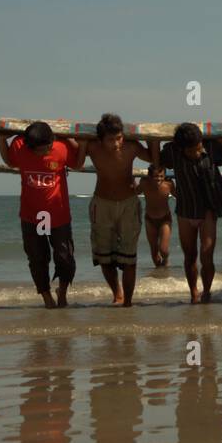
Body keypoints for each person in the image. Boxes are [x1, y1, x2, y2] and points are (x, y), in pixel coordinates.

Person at [0, 122, 82, 309]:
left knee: (65, 257)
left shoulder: (60, 147)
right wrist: (0, 139)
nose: (45, 152)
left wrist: (72, 139)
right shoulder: (20, 146)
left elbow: (78, 163)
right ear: (29, 146)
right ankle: (47, 298)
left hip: (58, 216)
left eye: (47, 148)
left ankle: (62, 291)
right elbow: (9, 161)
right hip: (32, 216)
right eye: (40, 150)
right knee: (37, 257)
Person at [151, 123, 222, 303]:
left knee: (207, 253)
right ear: (182, 148)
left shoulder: (210, 147)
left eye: (198, 149)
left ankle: (207, 291)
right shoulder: (173, 152)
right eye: (192, 151)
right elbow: (157, 162)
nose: (196, 154)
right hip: (186, 209)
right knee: (190, 256)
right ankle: (193, 292)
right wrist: (156, 143)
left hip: (207, 209)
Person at [75, 113, 151, 307]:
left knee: (129, 257)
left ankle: (128, 302)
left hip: (128, 203)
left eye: (119, 138)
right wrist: (81, 142)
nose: (116, 144)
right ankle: (117, 294)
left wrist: (152, 140)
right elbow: (77, 164)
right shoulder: (93, 147)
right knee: (104, 256)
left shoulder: (131, 147)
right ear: (101, 139)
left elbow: (154, 160)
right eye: (111, 140)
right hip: (102, 203)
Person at [137, 164, 175, 268]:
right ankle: (159, 274)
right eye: (155, 176)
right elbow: (135, 191)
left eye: (161, 176)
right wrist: (130, 180)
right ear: (149, 176)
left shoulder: (169, 184)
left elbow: (178, 195)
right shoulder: (144, 183)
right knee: (154, 252)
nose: (158, 179)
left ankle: (166, 261)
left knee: (163, 250)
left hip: (165, 219)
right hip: (150, 219)